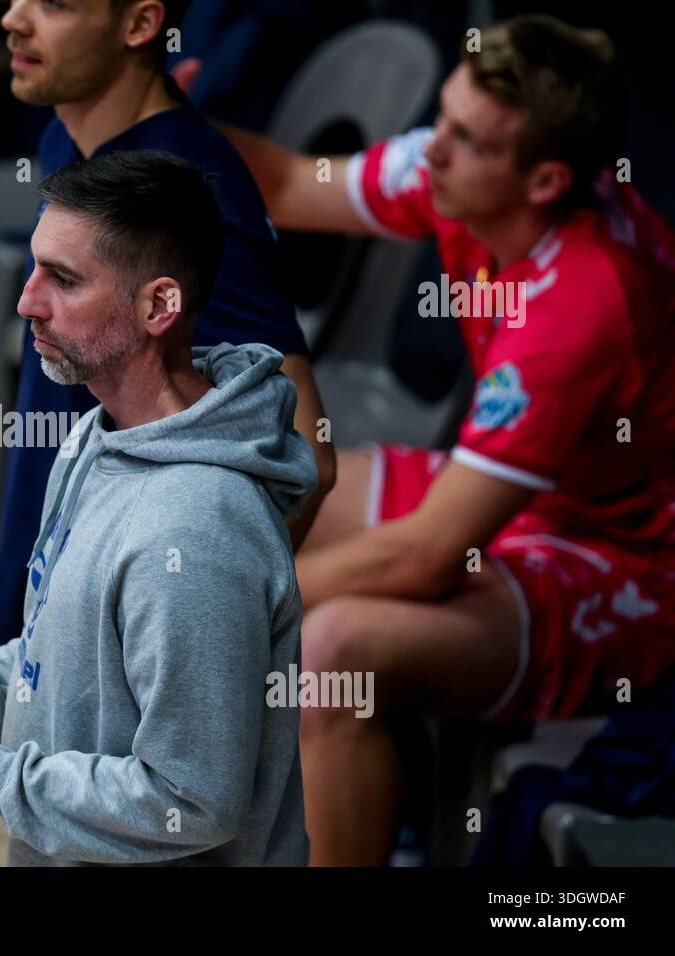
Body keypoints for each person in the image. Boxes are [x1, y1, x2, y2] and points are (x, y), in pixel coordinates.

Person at [214, 14, 675, 864]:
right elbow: (280, 183)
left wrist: (227, 601)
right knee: (235, 489)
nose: (431, 148)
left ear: (544, 179)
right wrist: (153, 113)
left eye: (464, 137)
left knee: (326, 654)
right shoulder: (460, 172)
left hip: (619, 567)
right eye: (443, 115)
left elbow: (427, 558)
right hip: (520, 498)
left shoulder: (581, 300)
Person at [0, 150, 319, 865]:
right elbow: (57, 660)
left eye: (62, 280)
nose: (27, 301)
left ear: (160, 306)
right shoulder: (97, 437)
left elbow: (192, 799)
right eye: (34, 267)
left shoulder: (196, 529)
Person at [0, 0, 335, 654]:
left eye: (54, 4)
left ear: (140, 26)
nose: (13, 18)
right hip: (37, 601)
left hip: (98, 651)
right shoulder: (71, 132)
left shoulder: (189, 191)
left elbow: (308, 453)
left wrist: (185, 620)